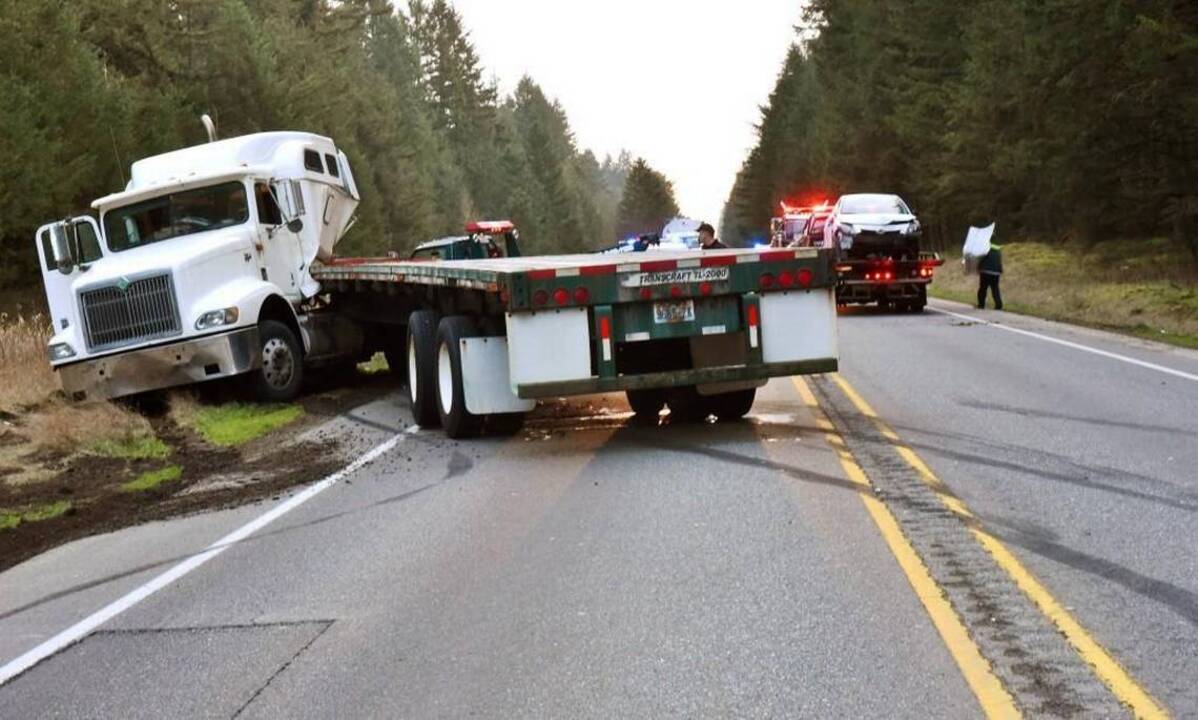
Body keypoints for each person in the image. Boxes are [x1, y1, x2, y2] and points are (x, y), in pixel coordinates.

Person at [977, 244, 1004, 309]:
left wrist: (978, 267)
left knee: (983, 288)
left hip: (986, 271)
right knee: (995, 288)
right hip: (996, 272)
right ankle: (999, 305)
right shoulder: (997, 249)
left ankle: (981, 304)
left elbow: (981, 258)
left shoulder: (985, 247)